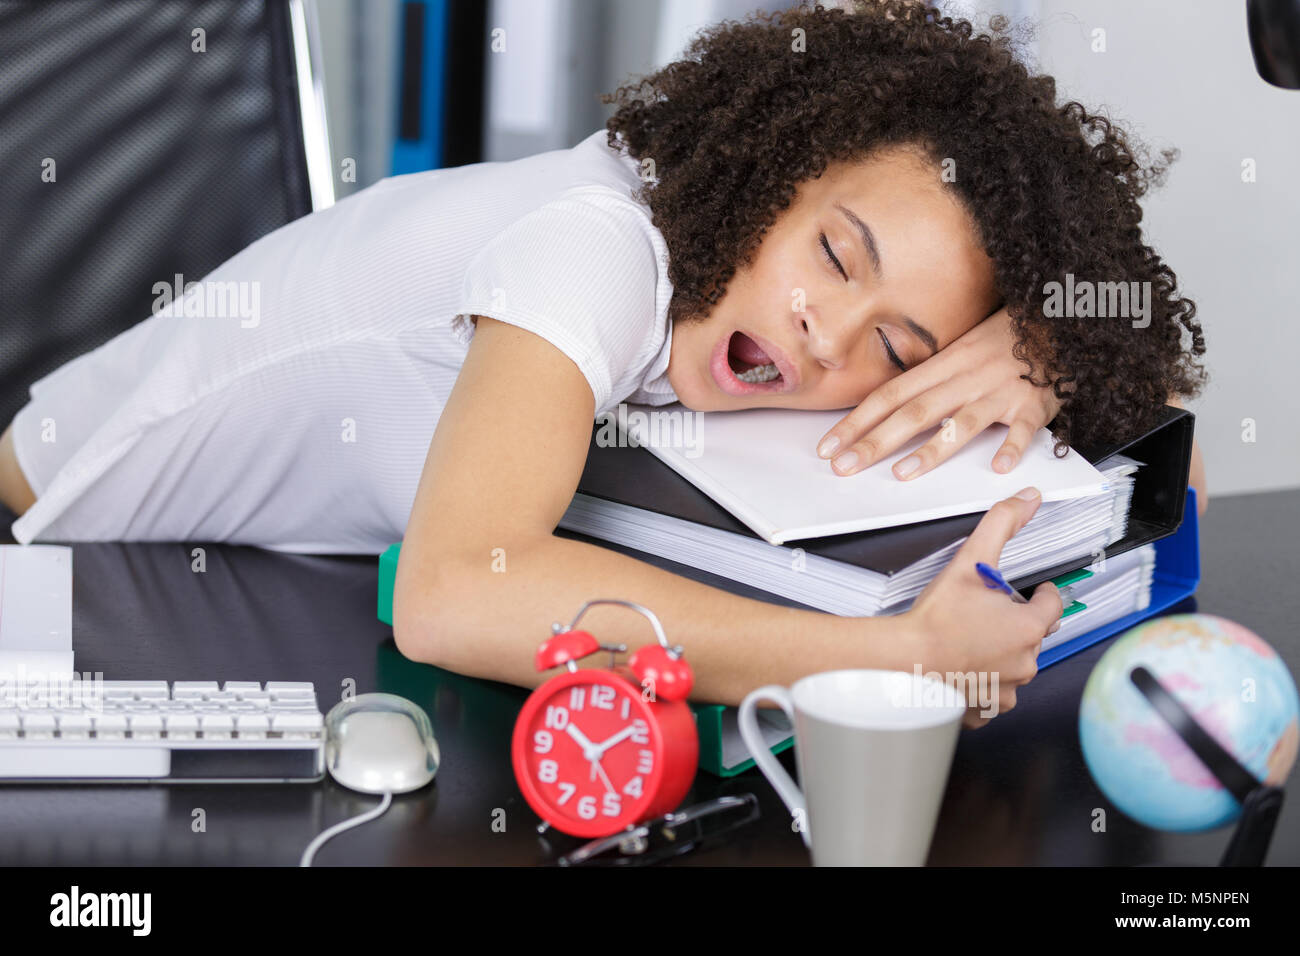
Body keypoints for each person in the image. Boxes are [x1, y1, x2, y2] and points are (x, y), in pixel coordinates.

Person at [0, 1, 1206, 727]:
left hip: (278, 581)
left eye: (898, 349)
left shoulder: (719, 278)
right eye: (836, 255)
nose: (826, 338)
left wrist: (1056, 348)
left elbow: (1178, 472)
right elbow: (455, 593)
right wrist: (896, 657)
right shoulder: (600, 247)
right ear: (777, 169)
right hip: (69, 538)